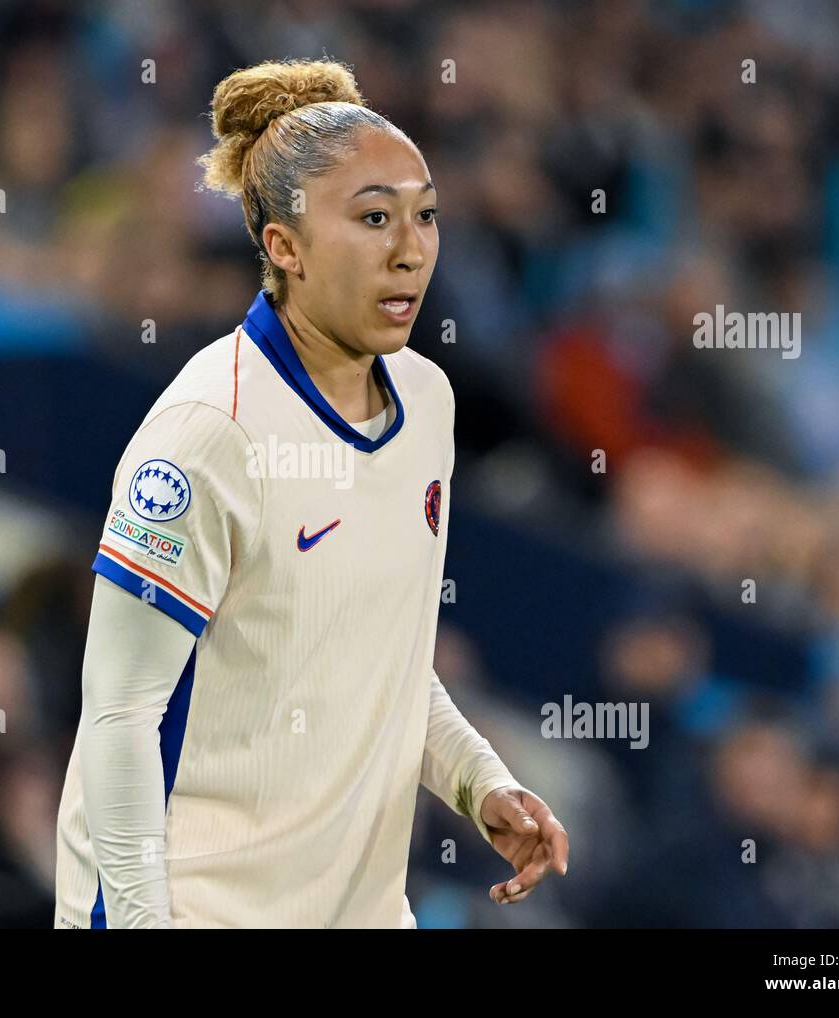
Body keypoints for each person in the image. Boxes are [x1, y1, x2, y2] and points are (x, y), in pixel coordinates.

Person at [55, 58, 567, 929]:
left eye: (426, 215)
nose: (411, 250)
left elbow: (384, 661)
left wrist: (481, 782)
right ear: (283, 248)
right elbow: (119, 716)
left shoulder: (430, 405)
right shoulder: (211, 432)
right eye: (373, 218)